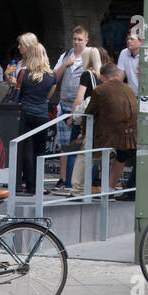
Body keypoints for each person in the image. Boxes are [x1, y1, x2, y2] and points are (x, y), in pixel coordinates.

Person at [84, 64, 138, 193]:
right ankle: (109, 188)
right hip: (131, 135)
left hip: (110, 137)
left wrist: (83, 131)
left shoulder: (100, 90)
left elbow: (89, 113)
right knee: (121, 157)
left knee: (86, 152)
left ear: (102, 77)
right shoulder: (129, 88)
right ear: (118, 75)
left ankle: (81, 188)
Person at [14, 35, 57, 195]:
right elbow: (48, 96)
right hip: (42, 115)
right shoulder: (52, 76)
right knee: (39, 151)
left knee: (26, 150)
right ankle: (38, 185)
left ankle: (29, 184)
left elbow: (18, 94)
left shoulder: (24, 74)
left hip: (26, 113)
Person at [53, 26, 90, 192]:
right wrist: (65, 65)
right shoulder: (66, 55)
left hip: (80, 105)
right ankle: (62, 178)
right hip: (64, 102)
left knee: (76, 144)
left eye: (80, 39)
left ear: (86, 40)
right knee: (64, 144)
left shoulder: (89, 56)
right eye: (74, 39)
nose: (76, 42)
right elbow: (54, 76)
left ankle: (73, 180)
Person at [70, 46, 103, 194]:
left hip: (84, 117)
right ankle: (88, 183)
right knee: (93, 152)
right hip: (96, 118)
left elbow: (79, 98)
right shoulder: (100, 75)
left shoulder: (86, 74)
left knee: (74, 150)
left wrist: (72, 116)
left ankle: (72, 185)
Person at [117, 28, 142, 94]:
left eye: (132, 39)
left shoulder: (147, 54)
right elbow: (119, 76)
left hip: (146, 94)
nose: (128, 41)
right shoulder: (124, 53)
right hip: (131, 94)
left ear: (141, 41)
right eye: (127, 39)